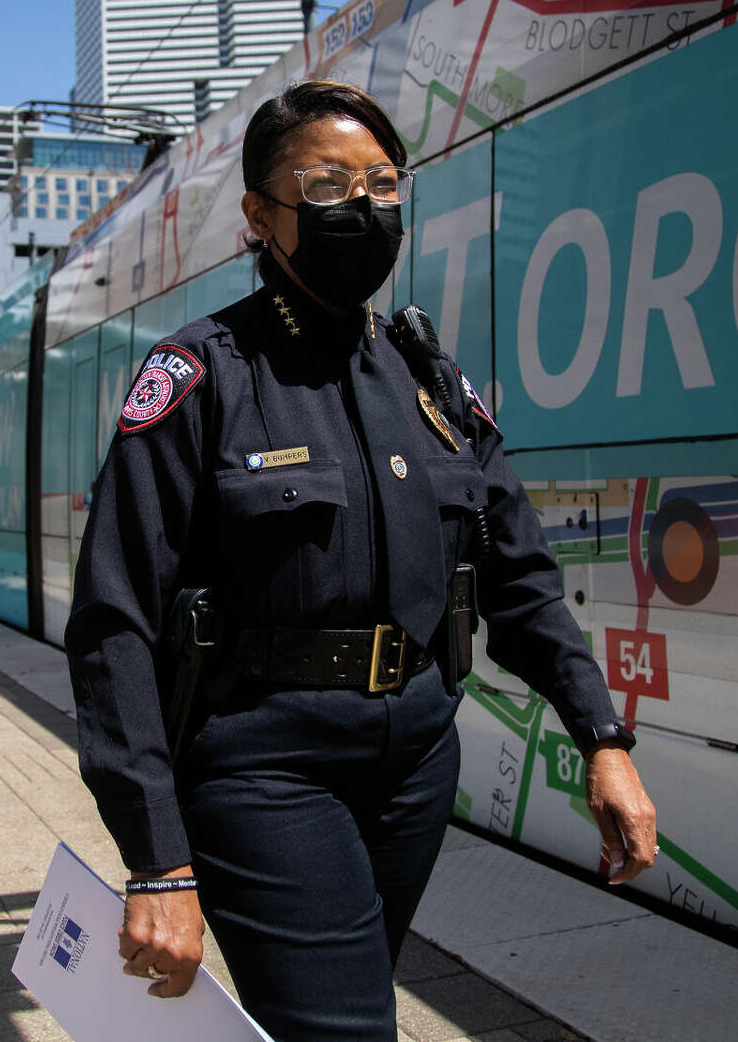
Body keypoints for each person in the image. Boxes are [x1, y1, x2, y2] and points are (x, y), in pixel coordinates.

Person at [66, 80, 657, 1041]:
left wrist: (601, 737)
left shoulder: (433, 381)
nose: (366, 209)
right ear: (262, 214)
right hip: (263, 767)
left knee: (334, 1011)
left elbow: (519, 576)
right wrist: (157, 862)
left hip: (417, 763)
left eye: (384, 185)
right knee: (345, 1029)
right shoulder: (202, 375)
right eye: (329, 185)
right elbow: (113, 622)